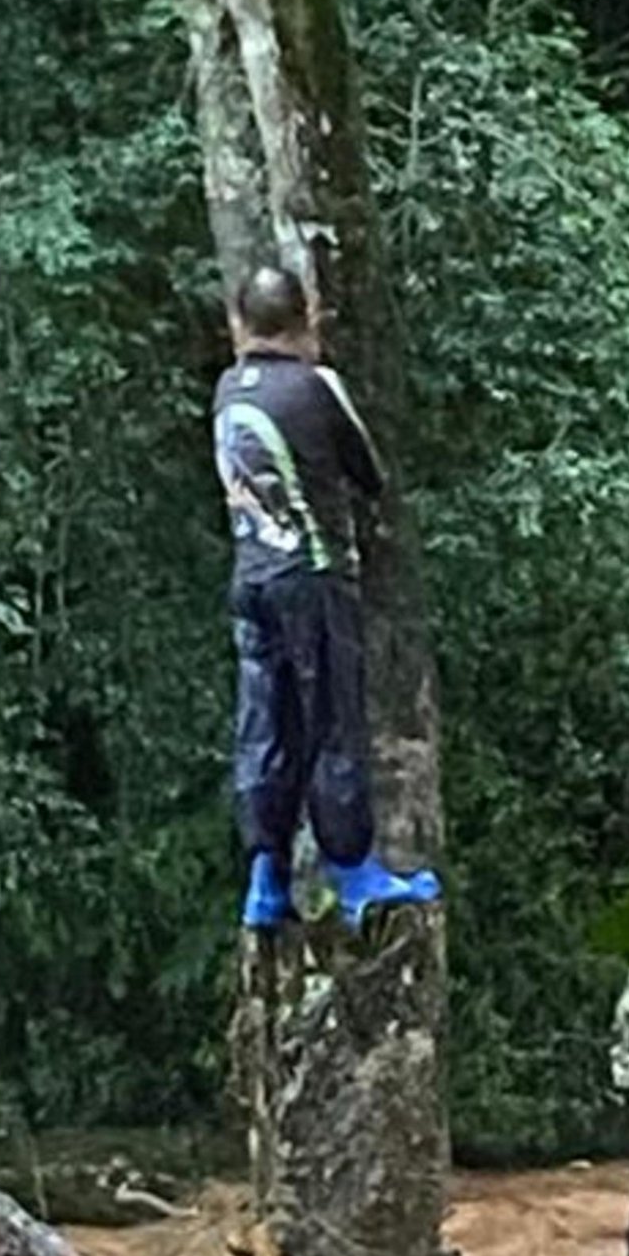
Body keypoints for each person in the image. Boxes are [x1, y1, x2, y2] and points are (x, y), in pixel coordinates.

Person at [212, 263, 440, 932]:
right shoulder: (316, 387)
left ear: (239, 325)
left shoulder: (228, 389)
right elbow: (367, 473)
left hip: (250, 579)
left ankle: (265, 877)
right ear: (306, 318)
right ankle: (355, 873)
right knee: (332, 722)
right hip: (311, 579)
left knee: (265, 724)